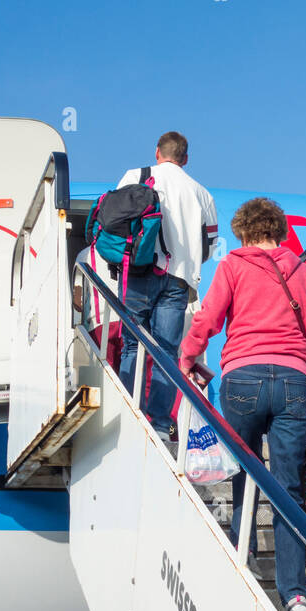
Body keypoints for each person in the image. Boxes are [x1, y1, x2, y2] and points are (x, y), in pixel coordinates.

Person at [179, 197, 306, 611]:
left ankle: (242, 563)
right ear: (279, 230)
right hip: (293, 383)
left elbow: (207, 319)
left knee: (241, 475)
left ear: (244, 232)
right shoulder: (305, 274)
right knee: (288, 490)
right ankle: (295, 597)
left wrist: (187, 357)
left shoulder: (233, 266)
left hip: (243, 379)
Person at [115, 131, 218, 440]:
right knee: (166, 351)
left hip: (139, 271)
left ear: (157, 152)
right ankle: (159, 424)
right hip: (179, 279)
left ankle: (127, 412)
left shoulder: (137, 175)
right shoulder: (201, 192)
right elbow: (210, 242)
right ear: (185, 159)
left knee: (133, 344)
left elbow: (116, 220)